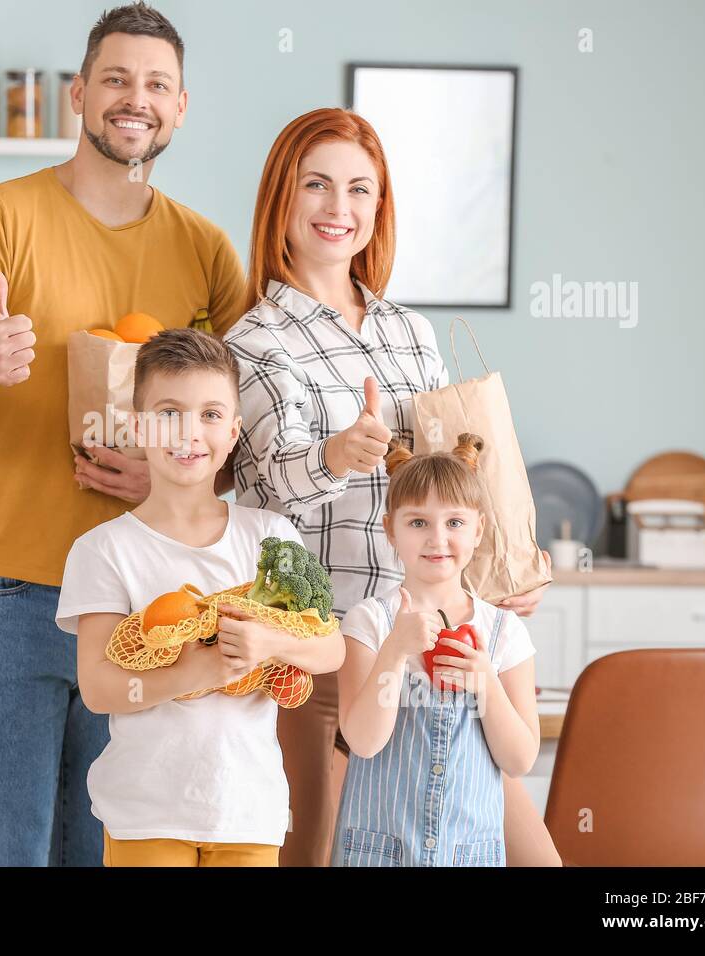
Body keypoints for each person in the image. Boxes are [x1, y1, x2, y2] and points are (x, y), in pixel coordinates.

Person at [0, 3, 246, 865]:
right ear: (79, 94)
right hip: (10, 591)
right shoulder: (1, 218)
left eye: (156, 85)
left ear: (180, 107)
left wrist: (168, 485)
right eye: (117, 79)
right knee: (3, 851)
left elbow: (241, 430)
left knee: (110, 851)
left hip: (148, 600)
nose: (136, 99)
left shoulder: (207, 252)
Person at [224, 107, 558, 866]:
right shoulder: (253, 341)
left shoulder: (410, 332)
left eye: (359, 190)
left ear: (379, 209)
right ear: (283, 196)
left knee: (529, 853)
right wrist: (337, 456)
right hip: (328, 651)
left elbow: (453, 484)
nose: (339, 209)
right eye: (317, 185)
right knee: (316, 850)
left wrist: (502, 564)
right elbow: (265, 489)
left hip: (444, 644)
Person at [56, 329, 345, 866]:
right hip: (146, 813)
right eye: (170, 412)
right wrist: (193, 675)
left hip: (248, 809)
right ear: (137, 426)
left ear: (234, 432)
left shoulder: (270, 536)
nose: (190, 433)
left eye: (211, 414)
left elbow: (330, 651)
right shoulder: (103, 551)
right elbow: (99, 688)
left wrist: (267, 641)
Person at [333, 434, 540, 865]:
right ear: (390, 528)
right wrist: (394, 651)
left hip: (469, 854)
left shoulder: (502, 632)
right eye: (418, 522)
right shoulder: (368, 622)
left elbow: (520, 759)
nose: (437, 538)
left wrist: (485, 681)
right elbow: (364, 742)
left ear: (478, 528)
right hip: (379, 852)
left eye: (455, 523)